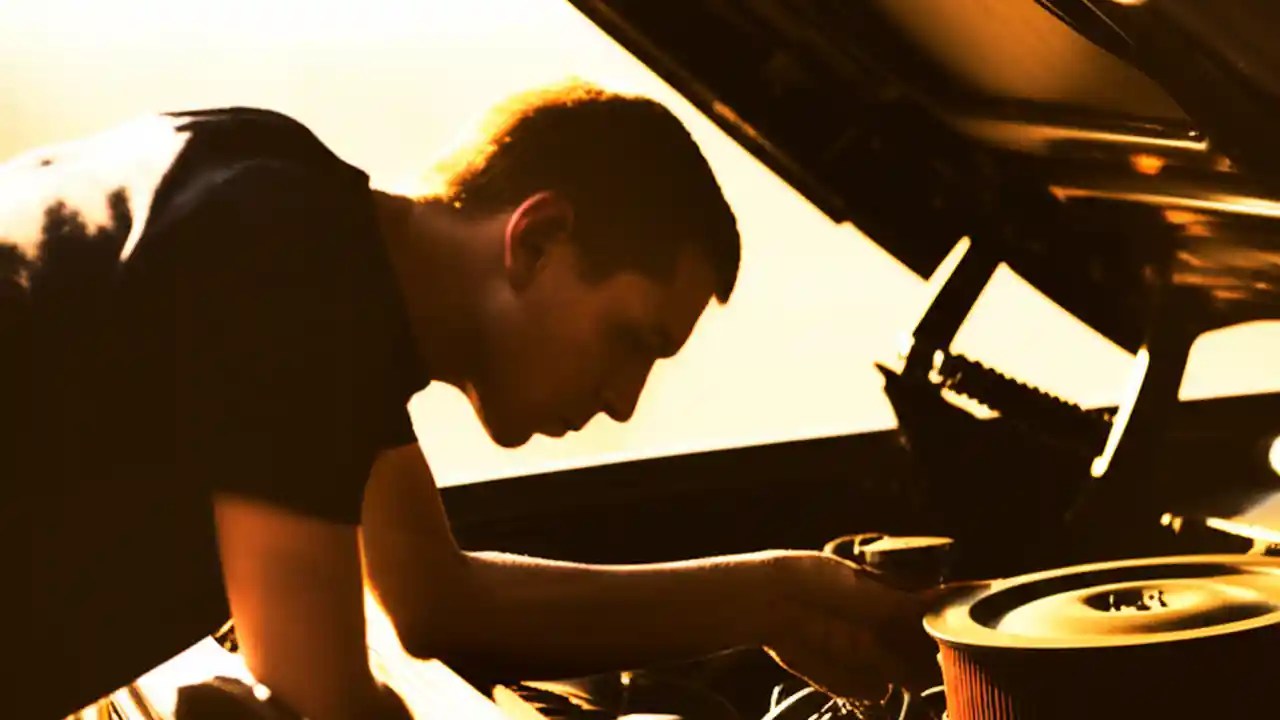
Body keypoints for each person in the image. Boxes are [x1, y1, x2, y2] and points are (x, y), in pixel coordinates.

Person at [4, 83, 936, 720]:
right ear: (536, 239)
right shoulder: (284, 261)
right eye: (631, 340)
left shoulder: (296, 218)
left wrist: (784, 594)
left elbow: (432, 599)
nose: (622, 402)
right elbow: (317, 707)